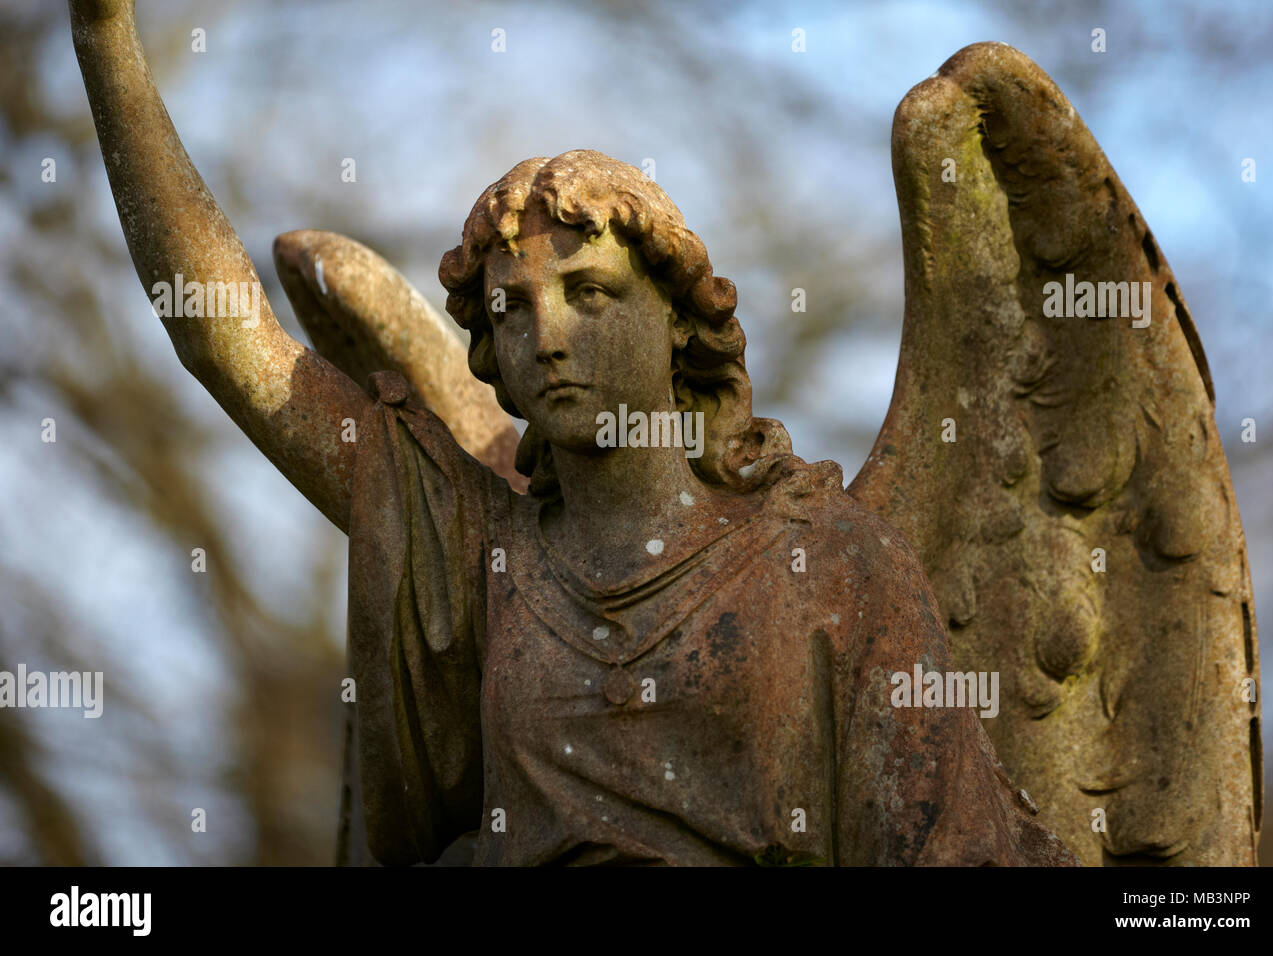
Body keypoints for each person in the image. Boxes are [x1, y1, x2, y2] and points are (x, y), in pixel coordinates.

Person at [71, 0, 1076, 866]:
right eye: (510, 310)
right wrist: (105, 43)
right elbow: (222, 334)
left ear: (680, 321)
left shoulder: (828, 562)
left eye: (590, 294)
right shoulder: (480, 559)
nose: (546, 336)